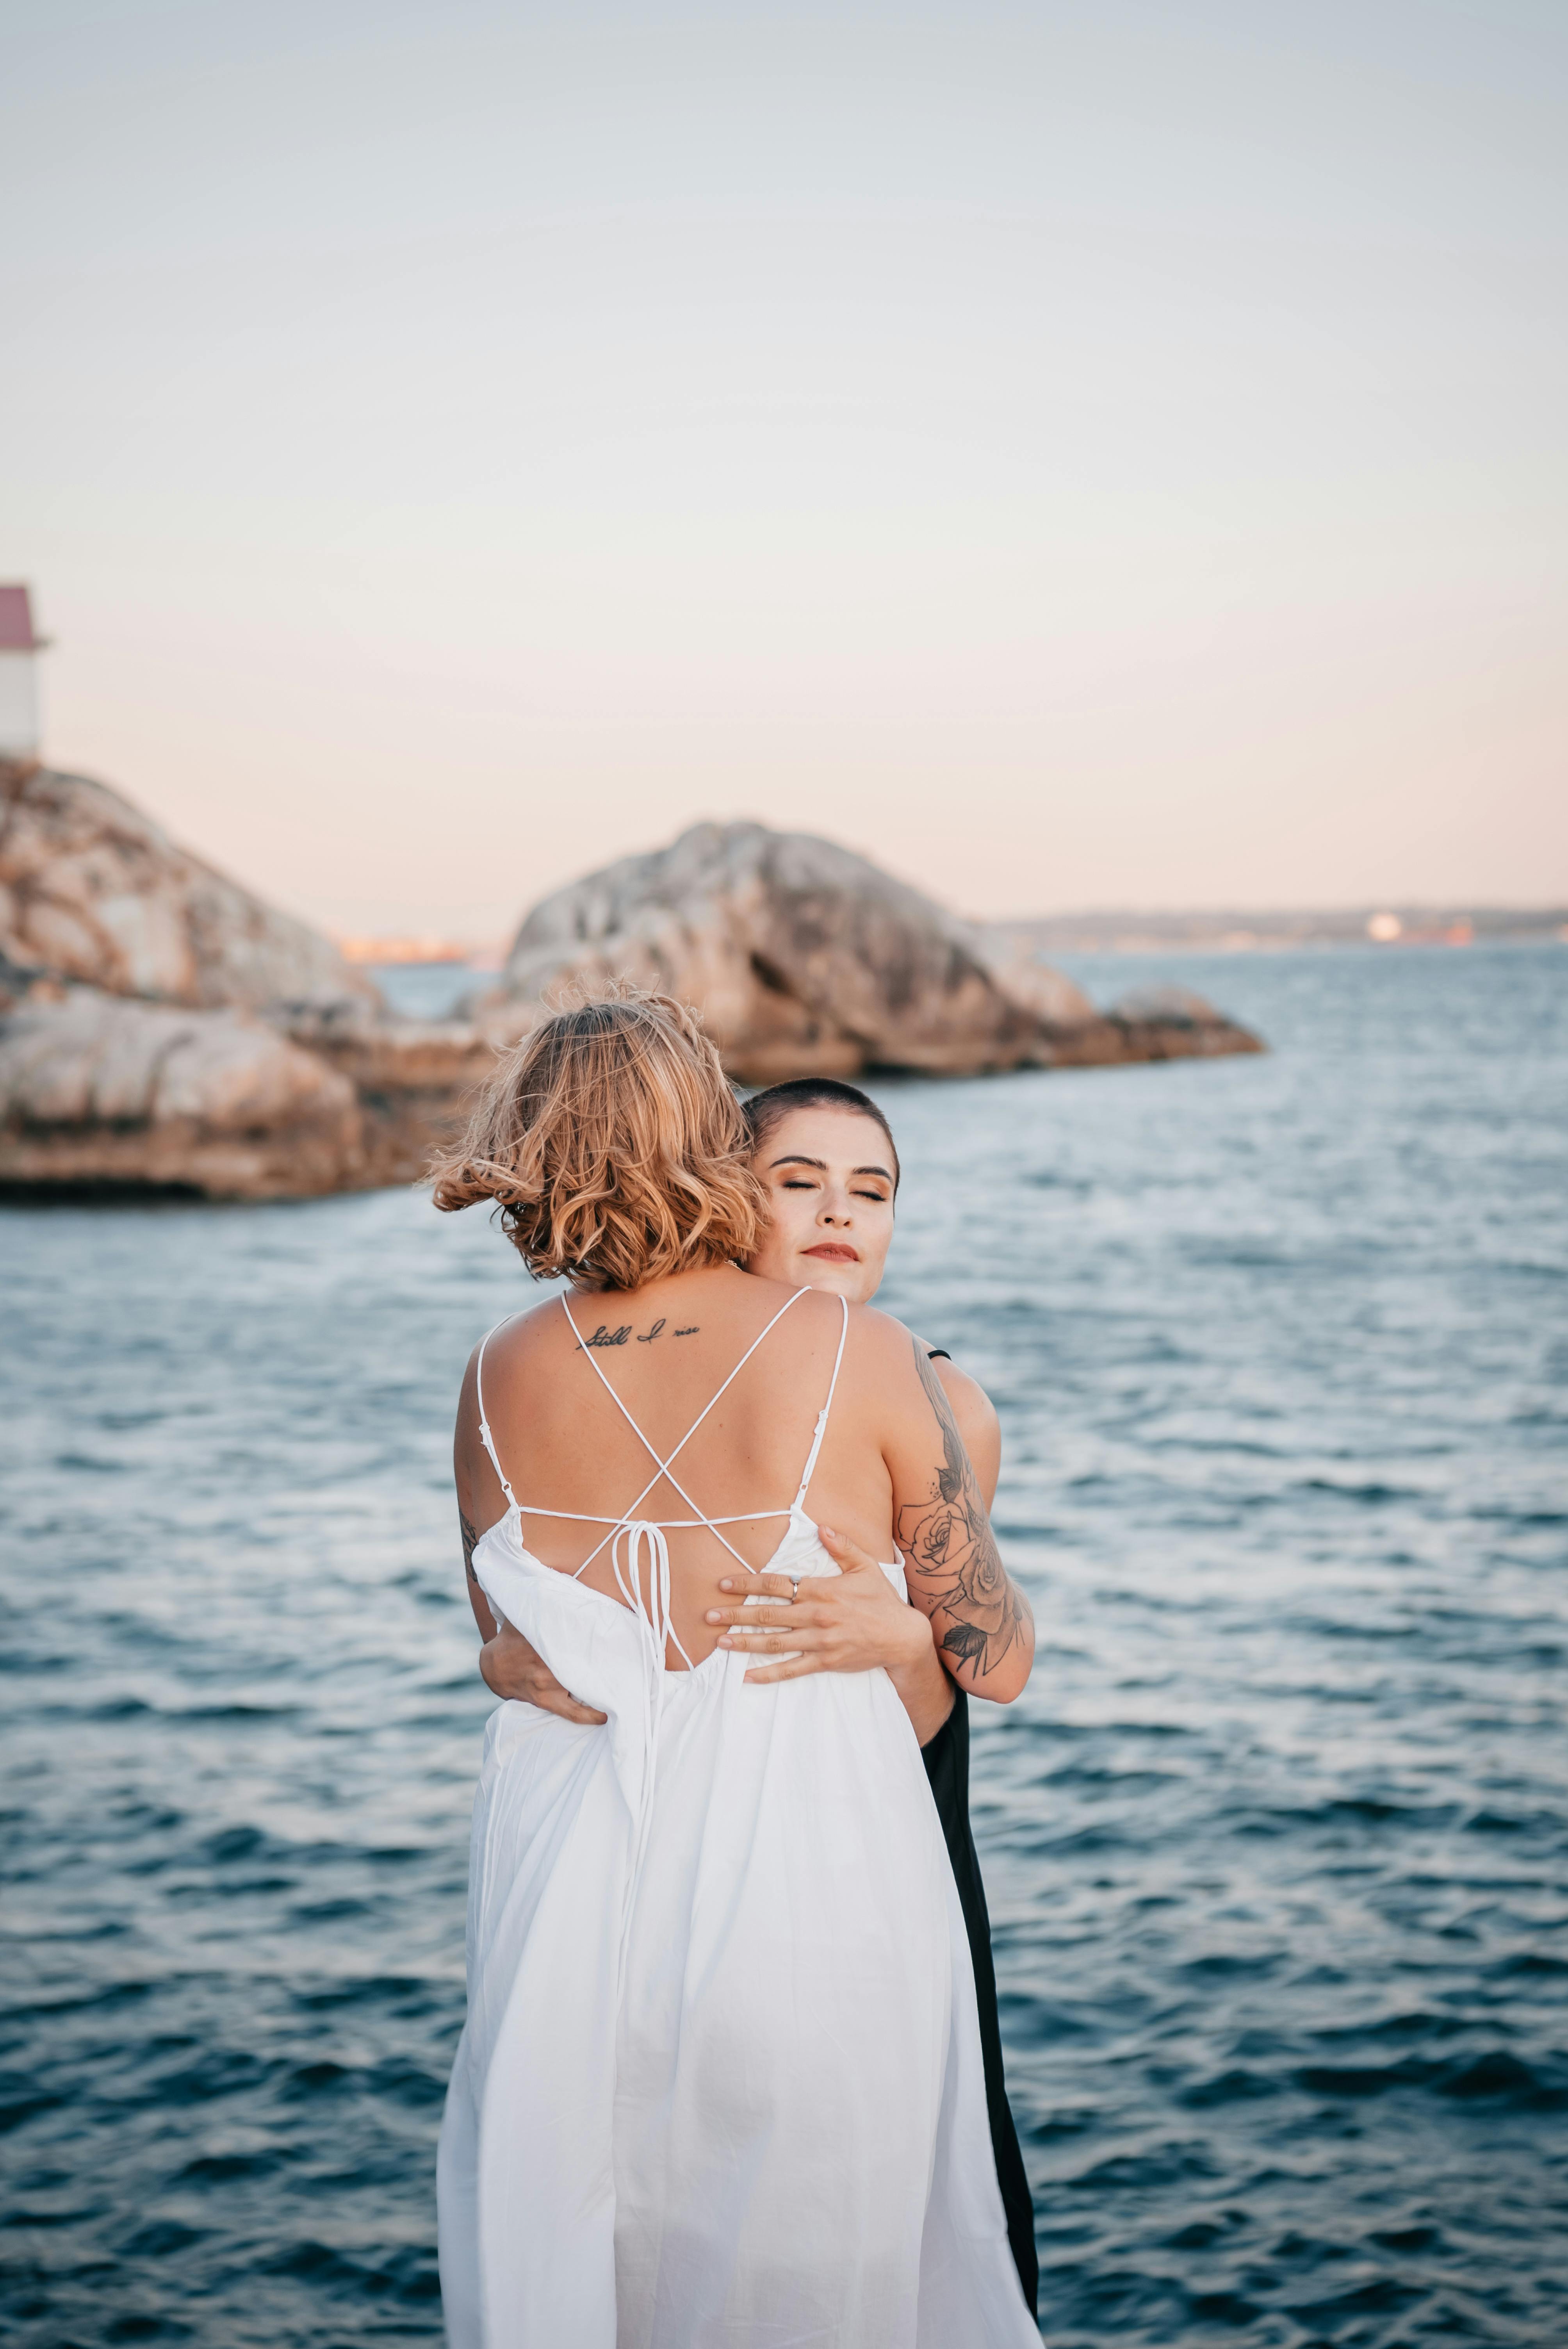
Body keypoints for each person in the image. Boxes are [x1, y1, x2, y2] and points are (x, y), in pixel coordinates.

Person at [431, 991, 1038, 2347]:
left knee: (591, 2268)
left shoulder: (487, 1381)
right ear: (711, 1141)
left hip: (563, 1900)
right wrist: (901, 1635)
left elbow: (505, 1647)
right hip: (800, 1871)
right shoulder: (864, 1354)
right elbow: (997, 1661)